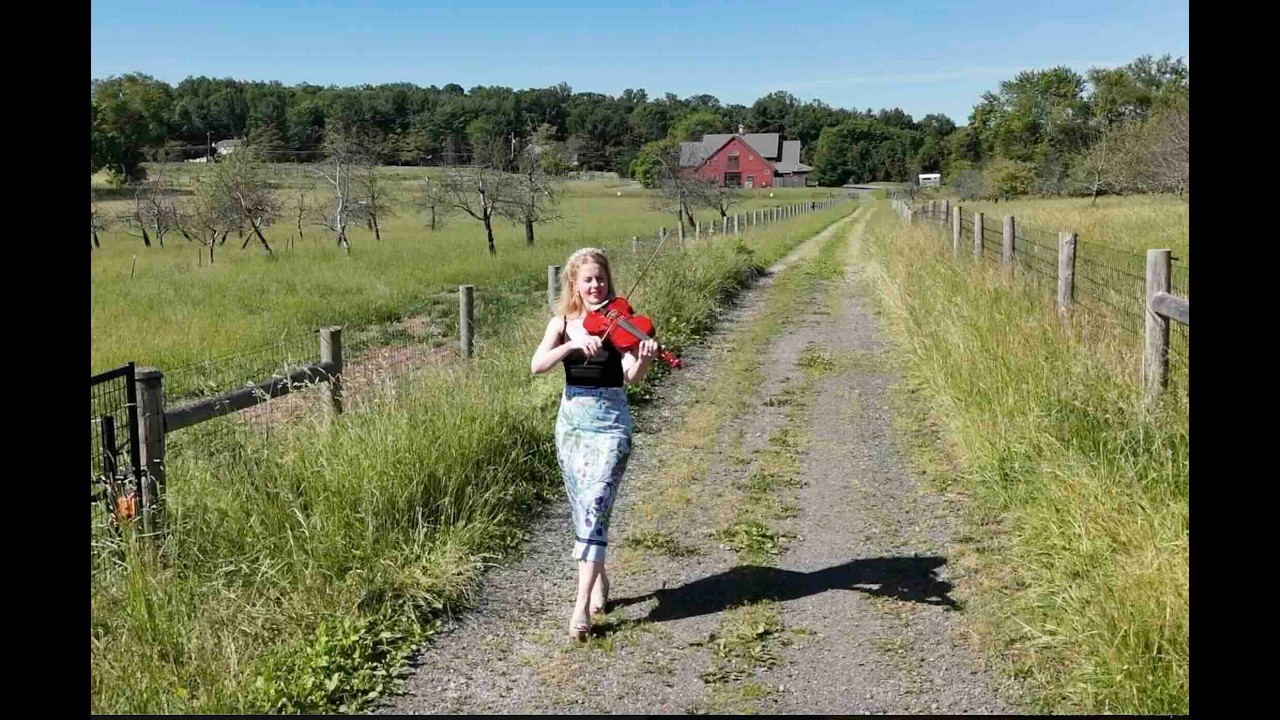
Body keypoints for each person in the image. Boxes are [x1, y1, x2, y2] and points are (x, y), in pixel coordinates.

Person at [530, 247, 658, 642]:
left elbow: (631, 376)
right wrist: (571, 345)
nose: (595, 285)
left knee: (597, 503)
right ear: (575, 283)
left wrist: (645, 357)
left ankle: (581, 605)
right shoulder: (562, 324)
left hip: (611, 426)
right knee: (583, 508)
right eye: (587, 279)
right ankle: (599, 577)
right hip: (572, 427)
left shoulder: (621, 324)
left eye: (600, 278)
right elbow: (537, 366)